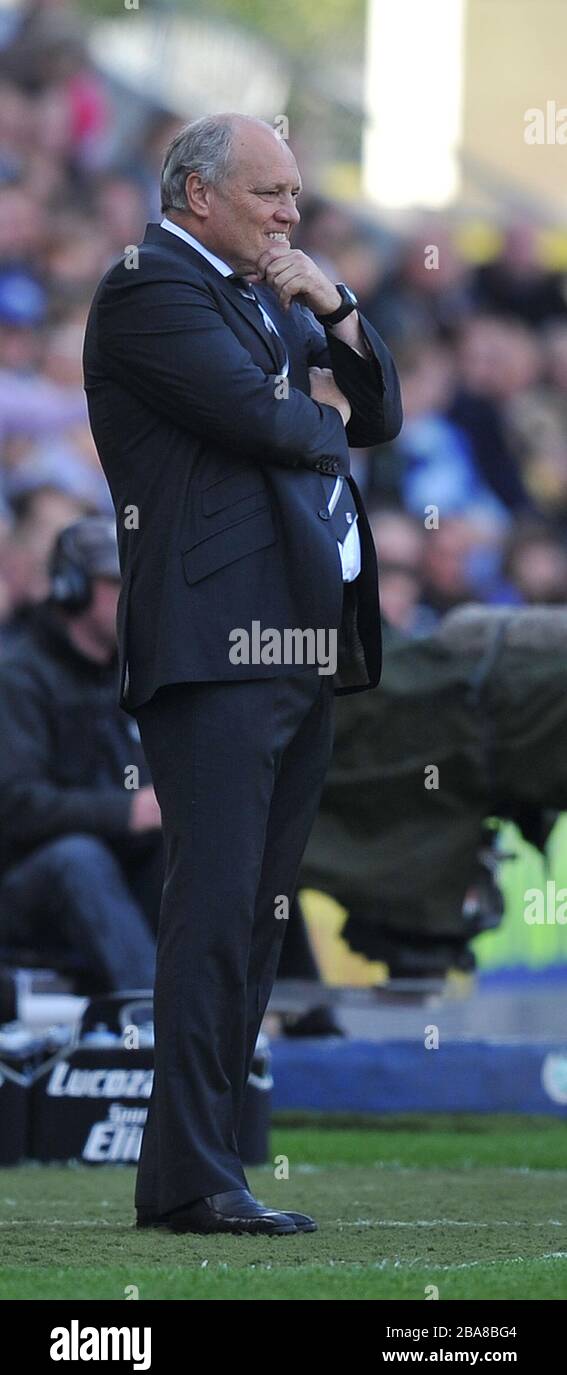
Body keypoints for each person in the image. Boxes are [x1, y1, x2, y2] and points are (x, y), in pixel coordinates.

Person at [82, 113, 402, 1236]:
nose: (289, 215)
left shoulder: (272, 293)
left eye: (297, 198)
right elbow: (267, 423)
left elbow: (378, 417)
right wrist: (313, 410)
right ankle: (195, 1177)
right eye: (270, 193)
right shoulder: (146, 284)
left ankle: (194, 1175)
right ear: (194, 192)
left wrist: (340, 308)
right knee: (214, 909)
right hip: (213, 641)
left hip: (297, 637)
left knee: (256, 917)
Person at [0, 517, 164, 989]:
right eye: (116, 580)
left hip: (115, 876)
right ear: (71, 588)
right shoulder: (20, 678)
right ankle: (151, 1017)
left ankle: (254, 1015)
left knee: (205, 844)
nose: (131, 595)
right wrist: (127, 811)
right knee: (78, 858)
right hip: (27, 884)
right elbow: (16, 808)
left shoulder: (136, 676)